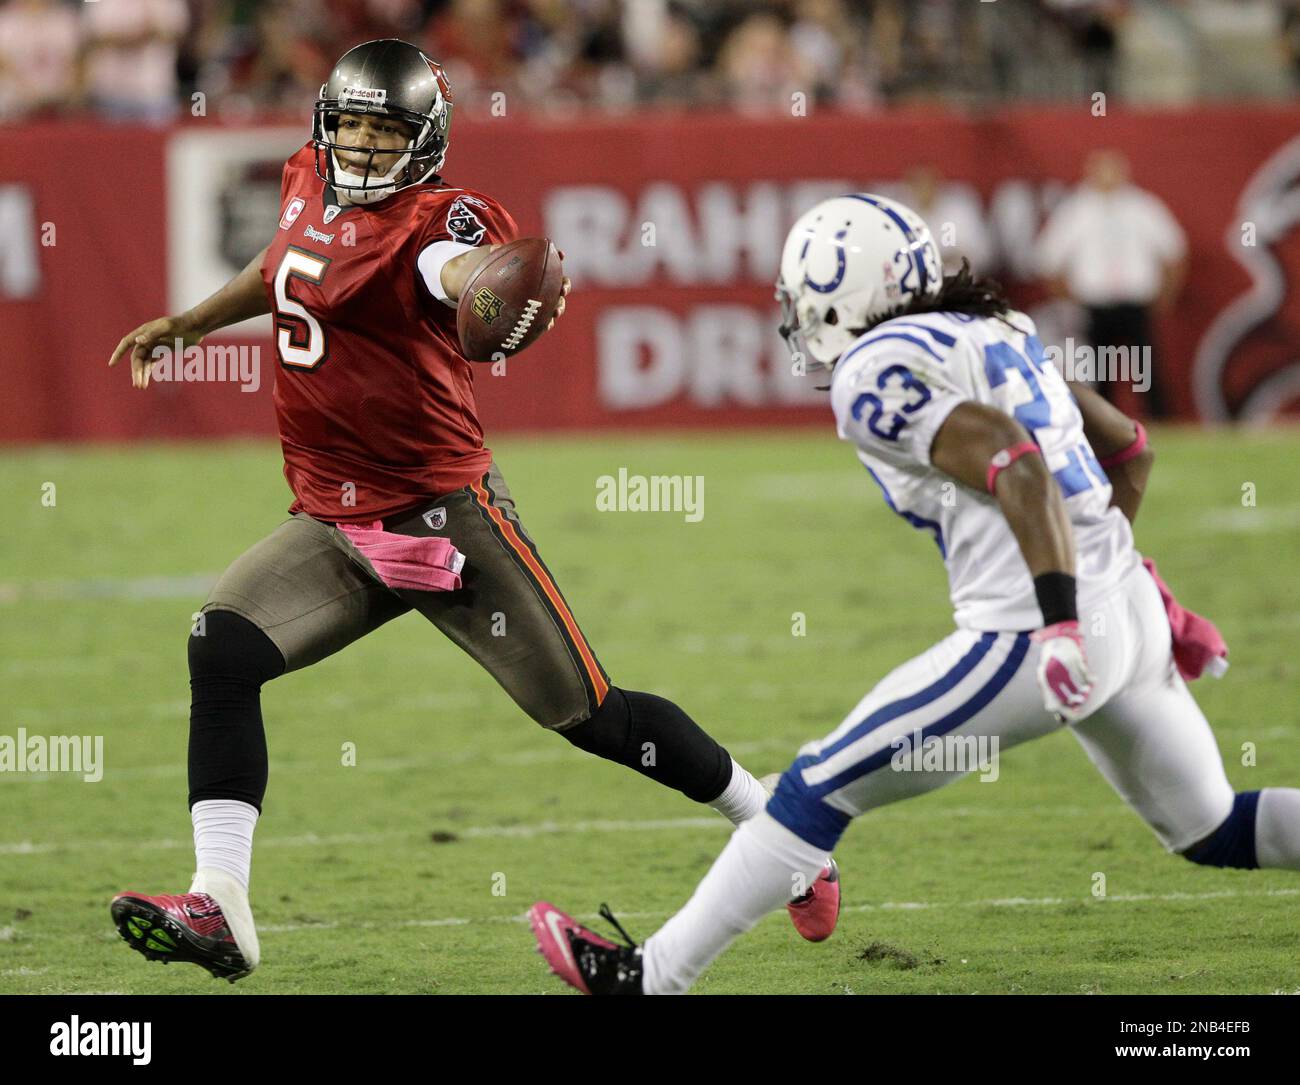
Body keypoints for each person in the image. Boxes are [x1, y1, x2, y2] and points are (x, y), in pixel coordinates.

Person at [105, 38, 838, 982]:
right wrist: (196, 320)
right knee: (222, 646)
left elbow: (457, 267)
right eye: (353, 126)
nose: (363, 147)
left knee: (592, 716)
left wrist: (490, 283)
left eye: (385, 131)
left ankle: (783, 832)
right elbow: (284, 260)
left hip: (442, 523)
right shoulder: (303, 178)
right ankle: (221, 904)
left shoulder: (431, 222)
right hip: (334, 520)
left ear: (426, 140)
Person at [530, 194, 1300, 995]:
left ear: (845, 289)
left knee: (815, 789)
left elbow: (1016, 464)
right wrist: (1117, 581)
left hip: (1032, 636)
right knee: (1213, 826)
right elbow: (1130, 451)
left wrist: (1065, 622)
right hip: (1129, 615)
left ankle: (647, 980)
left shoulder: (873, 367)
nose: (795, 311)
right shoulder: (999, 326)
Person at [1036, 149, 1186, 418]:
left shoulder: (1142, 206)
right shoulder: (1075, 209)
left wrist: (1166, 295)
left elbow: (1173, 251)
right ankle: (1105, 424)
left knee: (1145, 368)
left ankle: (1160, 421)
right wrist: (1069, 300)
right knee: (1100, 371)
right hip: (1095, 304)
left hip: (1135, 302)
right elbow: (1049, 259)